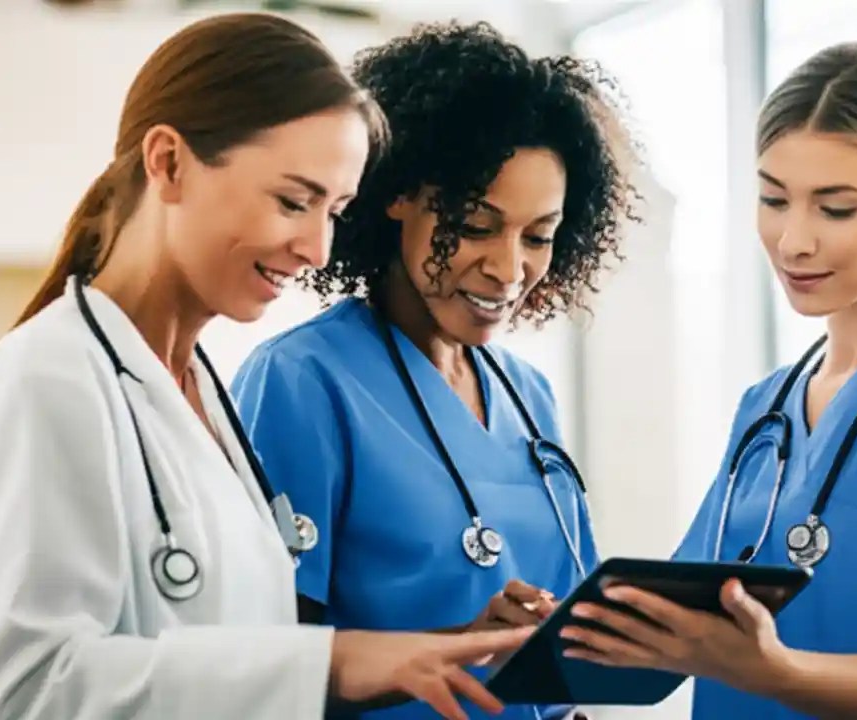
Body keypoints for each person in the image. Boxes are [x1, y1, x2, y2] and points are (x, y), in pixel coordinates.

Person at [0, 14, 534, 720]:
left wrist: (430, 654)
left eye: (335, 211)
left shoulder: (201, 396)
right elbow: (26, 693)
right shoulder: (47, 381)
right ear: (169, 163)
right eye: (293, 201)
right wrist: (330, 662)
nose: (318, 250)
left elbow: (239, 662)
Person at [556, 42, 857, 719]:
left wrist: (774, 670)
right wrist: (558, 628)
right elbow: (681, 632)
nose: (793, 241)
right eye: (773, 199)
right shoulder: (767, 411)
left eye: (835, 208)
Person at [230, 20, 641, 720]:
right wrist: (461, 647)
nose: (509, 269)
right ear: (397, 194)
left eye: (538, 236)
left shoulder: (527, 395)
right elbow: (261, 671)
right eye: (476, 226)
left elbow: (555, 654)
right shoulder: (303, 383)